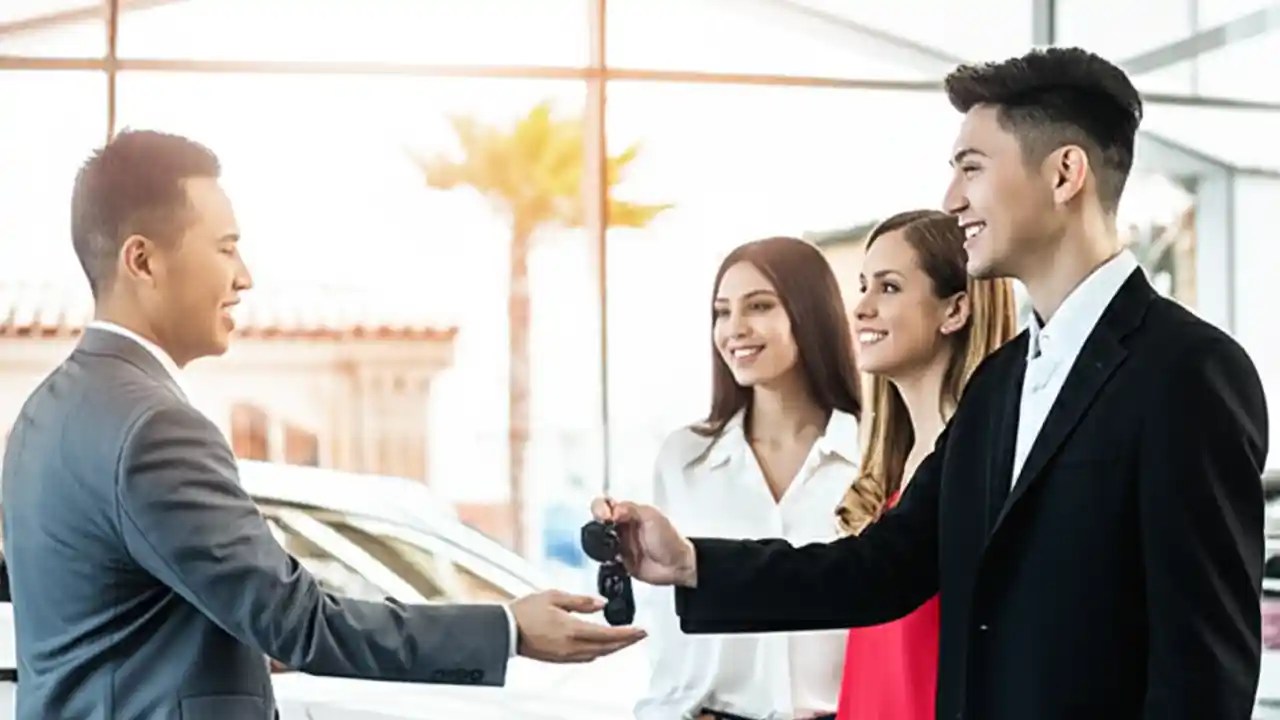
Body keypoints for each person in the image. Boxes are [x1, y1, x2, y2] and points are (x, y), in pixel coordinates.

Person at [592, 47, 1270, 720]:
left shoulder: (1188, 373)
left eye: (971, 168)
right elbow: (884, 566)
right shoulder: (999, 386)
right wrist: (692, 563)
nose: (952, 200)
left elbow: (1202, 676)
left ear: (1065, 173)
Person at [0, 129, 644, 720]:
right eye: (226, 248)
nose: (244, 277)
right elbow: (297, 621)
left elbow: (125, 621)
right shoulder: (155, 427)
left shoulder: (45, 414)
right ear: (142, 261)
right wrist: (509, 629)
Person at [633, 237, 862, 720]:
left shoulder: (873, 454)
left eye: (759, 306)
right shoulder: (685, 458)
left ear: (810, 313)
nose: (734, 328)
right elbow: (666, 631)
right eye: (722, 312)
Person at [835, 210, 1017, 720]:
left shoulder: (992, 474)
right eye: (864, 286)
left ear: (955, 310)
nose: (861, 308)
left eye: (889, 287)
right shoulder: (884, 480)